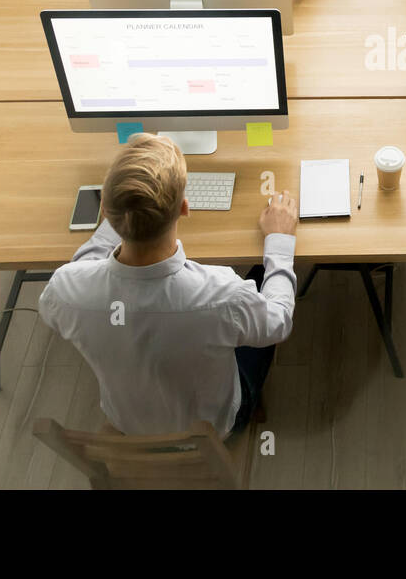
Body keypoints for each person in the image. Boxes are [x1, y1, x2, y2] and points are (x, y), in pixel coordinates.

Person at [38, 134, 298, 439]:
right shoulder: (225, 294)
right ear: (185, 208)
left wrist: (127, 209)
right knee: (259, 275)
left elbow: (80, 268)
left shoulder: (64, 291)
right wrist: (279, 240)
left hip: (128, 425)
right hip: (215, 427)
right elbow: (279, 321)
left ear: (105, 212)